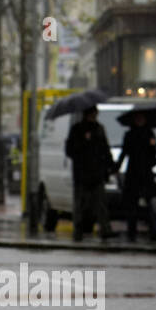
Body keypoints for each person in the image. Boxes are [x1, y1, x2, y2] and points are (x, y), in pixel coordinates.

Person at [65, 103, 114, 241]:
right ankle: (78, 230)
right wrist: (84, 142)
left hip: (97, 173)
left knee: (100, 203)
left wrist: (110, 166)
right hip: (82, 174)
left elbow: (105, 149)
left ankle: (104, 228)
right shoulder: (77, 130)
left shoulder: (99, 129)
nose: (94, 116)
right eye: (92, 113)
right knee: (80, 204)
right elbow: (70, 150)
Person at [116, 111, 156, 242]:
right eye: (138, 119)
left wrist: (153, 148)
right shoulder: (129, 135)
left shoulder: (150, 134)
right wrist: (116, 167)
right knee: (132, 205)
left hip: (145, 172)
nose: (140, 121)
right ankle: (132, 232)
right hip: (134, 172)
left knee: (149, 204)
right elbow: (124, 152)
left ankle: (153, 231)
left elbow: (154, 154)